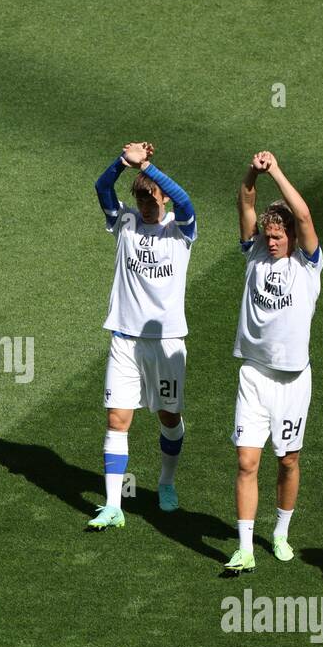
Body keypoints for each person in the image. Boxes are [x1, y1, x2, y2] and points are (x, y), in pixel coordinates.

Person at [87, 141, 197, 530]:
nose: (147, 204)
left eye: (151, 197)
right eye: (141, 198)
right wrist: (123, 163)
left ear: (161, 194)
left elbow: (185, 201)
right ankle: (113, 505)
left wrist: (147, 166)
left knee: (168, 416)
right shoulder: (125, 223)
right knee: (118, 419)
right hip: (125, 339)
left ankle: (165, 481)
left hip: (167, 344)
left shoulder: (181, 229)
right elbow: (102, 189)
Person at [226, 152, 322, 572]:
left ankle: (280, 531)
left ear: (292, 237)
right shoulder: (254, 256)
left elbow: (303, 213)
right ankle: (245, 547)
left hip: (292, 382)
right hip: (253, 375)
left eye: (279, 234)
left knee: (287, 460)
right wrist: (254, 171)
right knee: (247, 461)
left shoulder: (308, 265)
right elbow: (245, 201)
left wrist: (278, 172)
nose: (272, 240)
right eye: (268, 233)